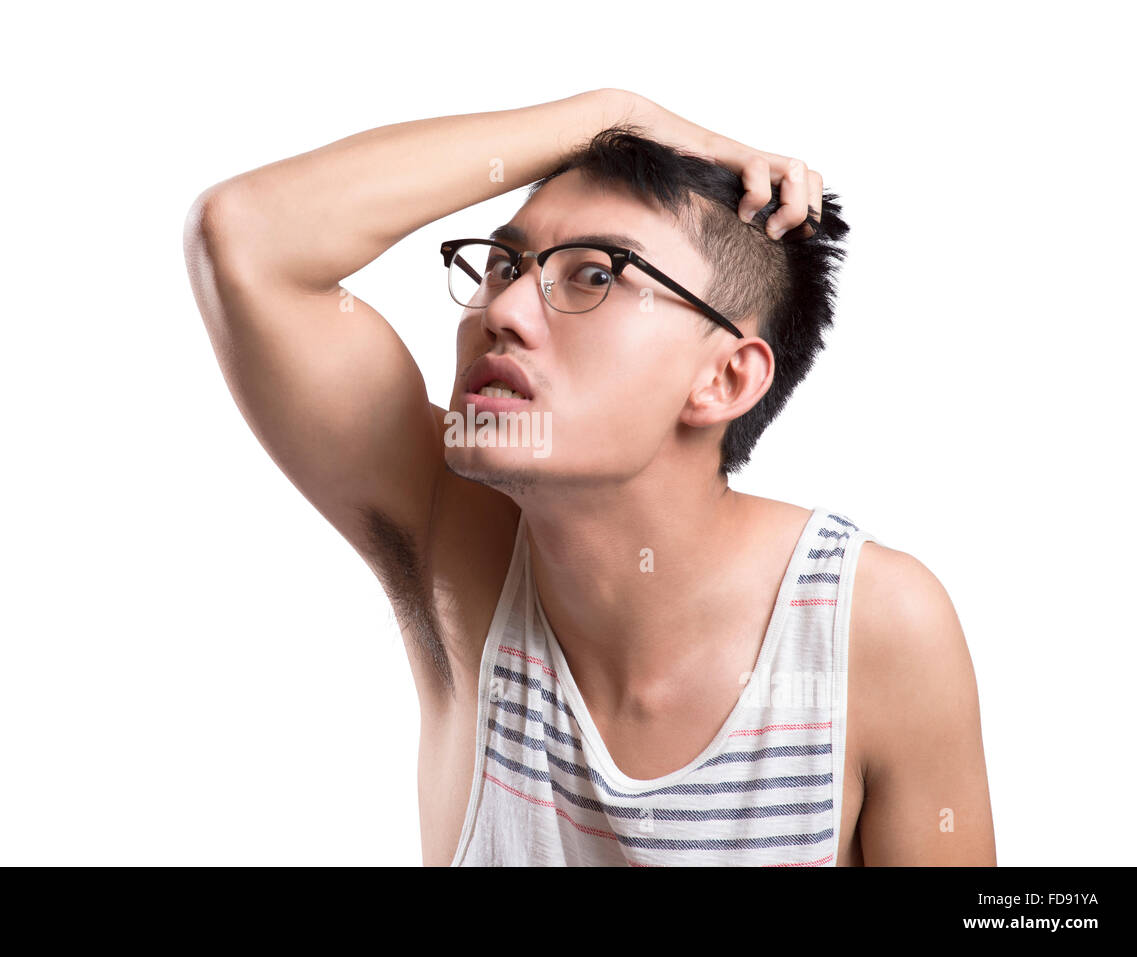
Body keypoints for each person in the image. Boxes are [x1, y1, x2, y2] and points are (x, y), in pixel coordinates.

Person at [182, 88, 996, 866]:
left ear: (726, 380)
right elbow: (246, 234)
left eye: (597, 274)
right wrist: (613, 114)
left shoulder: (868, 627)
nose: (503, 310)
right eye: (504, 264)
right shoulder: (459, 557)